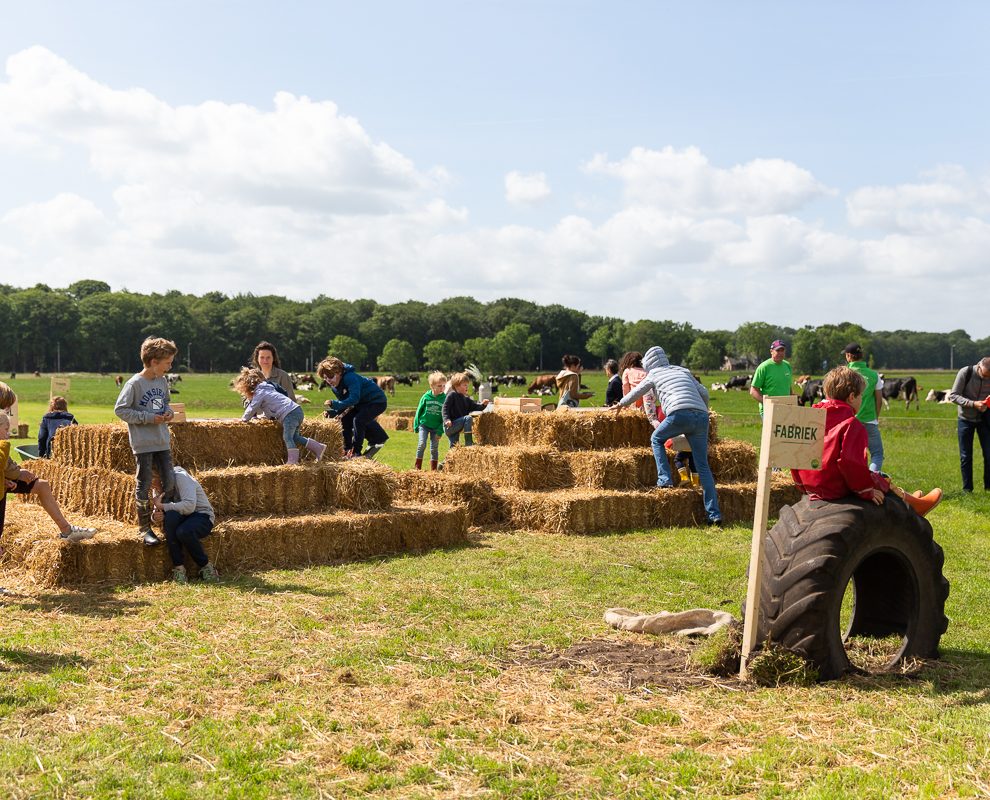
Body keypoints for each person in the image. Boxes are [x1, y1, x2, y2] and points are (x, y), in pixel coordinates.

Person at [792, 367, 941, 515]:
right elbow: (851, 464)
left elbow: (796, 455)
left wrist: (801, 485)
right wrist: (865, 491)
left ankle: (907, 499)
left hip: (811, 485)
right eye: (861, 395)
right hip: (835, 487)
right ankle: (914, 506)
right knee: (880, 478)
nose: (862, 399)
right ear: (852, 397)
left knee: (877, 477)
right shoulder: (851, 424)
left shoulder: (810, 417)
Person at [613, 346, 722, 526]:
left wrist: (621, 404)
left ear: (649, 364)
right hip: (702, 417)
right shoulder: (683, 370)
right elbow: (704, 392)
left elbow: (638, 391)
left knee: (656, 439)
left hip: (679, 413)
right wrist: (703, 410)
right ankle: (714, 515)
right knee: (703, 467)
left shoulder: (653, 374)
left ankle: (664, 479)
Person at [114, 337, 179, 546]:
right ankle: (144, 528)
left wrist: (168, 413)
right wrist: (148, 418)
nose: (170, 367)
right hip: (143, 443)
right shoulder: (134, 384)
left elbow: (166, 403)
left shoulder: (161, 381)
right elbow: (121, 410)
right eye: (167, 363)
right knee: (143, 484)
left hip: (162, 440)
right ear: (153, 362)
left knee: (169, 482)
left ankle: (161, 518)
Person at [0, 409, 96, 542]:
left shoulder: (3, 444)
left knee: (41, 485)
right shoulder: (2, 445)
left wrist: (8, 477)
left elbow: (7, 463)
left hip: (4, 479)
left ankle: (66, 530)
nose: (8, 433)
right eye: (6, 429)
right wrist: (18, 474)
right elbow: (4, 464)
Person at [235, 367, 326, 464]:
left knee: (287, 437)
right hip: (297, 410)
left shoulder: (260, 392)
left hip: (289, 414)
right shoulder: (268, 388)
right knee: (295, 437)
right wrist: (266, 417)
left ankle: (292, 461)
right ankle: (318, 448)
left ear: (249, 387)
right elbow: (270, 407)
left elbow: (252, 407)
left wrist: (244, 420)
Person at [150, 468, 219, 583]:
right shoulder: (157, 488)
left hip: (201, 516)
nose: (152, 487)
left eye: (152, 481)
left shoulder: (181, 477)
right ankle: (179, 569)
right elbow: (158, 511)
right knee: (171, 517)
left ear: (161, 477)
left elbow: (189, 506)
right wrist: (156, 517)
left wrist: (163, 506)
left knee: (183, 531)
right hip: (181, 518)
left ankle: (207, 566)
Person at [316, 357, 388, 459]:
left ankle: (356, 452)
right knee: (345, 419)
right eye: (325, 378)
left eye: (330, 376)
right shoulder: (334, 387)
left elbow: (354, 399)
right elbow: (344, 405)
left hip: (376, 402)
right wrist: (333, 413)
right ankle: (347, 449)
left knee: (358, 420)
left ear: (339, 372)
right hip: (360, 403)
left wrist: (335, 404)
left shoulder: (350, 377)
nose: (328, 380)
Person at [947, 356, 990, 493]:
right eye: (985, 375)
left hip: (985, 419)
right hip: (965, 419)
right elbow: (953, 396)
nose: (986, 378)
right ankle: (967, 489)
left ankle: (988, 488)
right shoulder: (965, 372)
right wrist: (973, 404)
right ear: (979, 367)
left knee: (989, 454)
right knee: (966, 456)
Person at [842, 343, 884, 472]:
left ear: (848, 356)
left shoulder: (843, 374)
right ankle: (871, 479)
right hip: (869, 420)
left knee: (848, 455)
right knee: (877, 454)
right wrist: (875, 418)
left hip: (848, 421)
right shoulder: (873, 375)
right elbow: (879, 399)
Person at [442, 372, 490, 447]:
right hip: (450, 426)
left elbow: (476, 407)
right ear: (457, 386)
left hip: (457, 427)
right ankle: (469, 442)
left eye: (467, 385)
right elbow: (445, 409)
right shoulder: (452, 395)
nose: (467, 387)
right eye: (464, 385)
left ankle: (448, 459)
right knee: (468, 418)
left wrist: (483, 405)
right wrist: (447, 419)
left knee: (454, 449)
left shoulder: (466, 399)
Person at [413, 371, 446, 470]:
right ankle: (417, 469)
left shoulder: (444, 399)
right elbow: (419, 410)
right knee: (421, 444)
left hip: (436, 428)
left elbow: (445, 416)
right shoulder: (426, 397)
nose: (442, 388)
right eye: (439, 386)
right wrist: (416, 425)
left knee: (434, 449)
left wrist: (440, 431)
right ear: (432, 386)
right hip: (424, 425)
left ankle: (433, 470)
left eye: (444, 386)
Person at [750, 339, 793, 415]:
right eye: (777, 350)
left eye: (782, 350)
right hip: (768, 410)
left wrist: (793, 399)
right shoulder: (764, 367)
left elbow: (788, 387)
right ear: (771, 351)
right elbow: (753, 391)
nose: (780, 353)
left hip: (786, 410)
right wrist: (766, 402)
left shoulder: (787, 366)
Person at [618, 351, 659, 422]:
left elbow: (625, 387)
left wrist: (626, 403)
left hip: (635, 399)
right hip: (648, 398)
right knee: (651, 420)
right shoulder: (646, 371)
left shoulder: (627, 371)